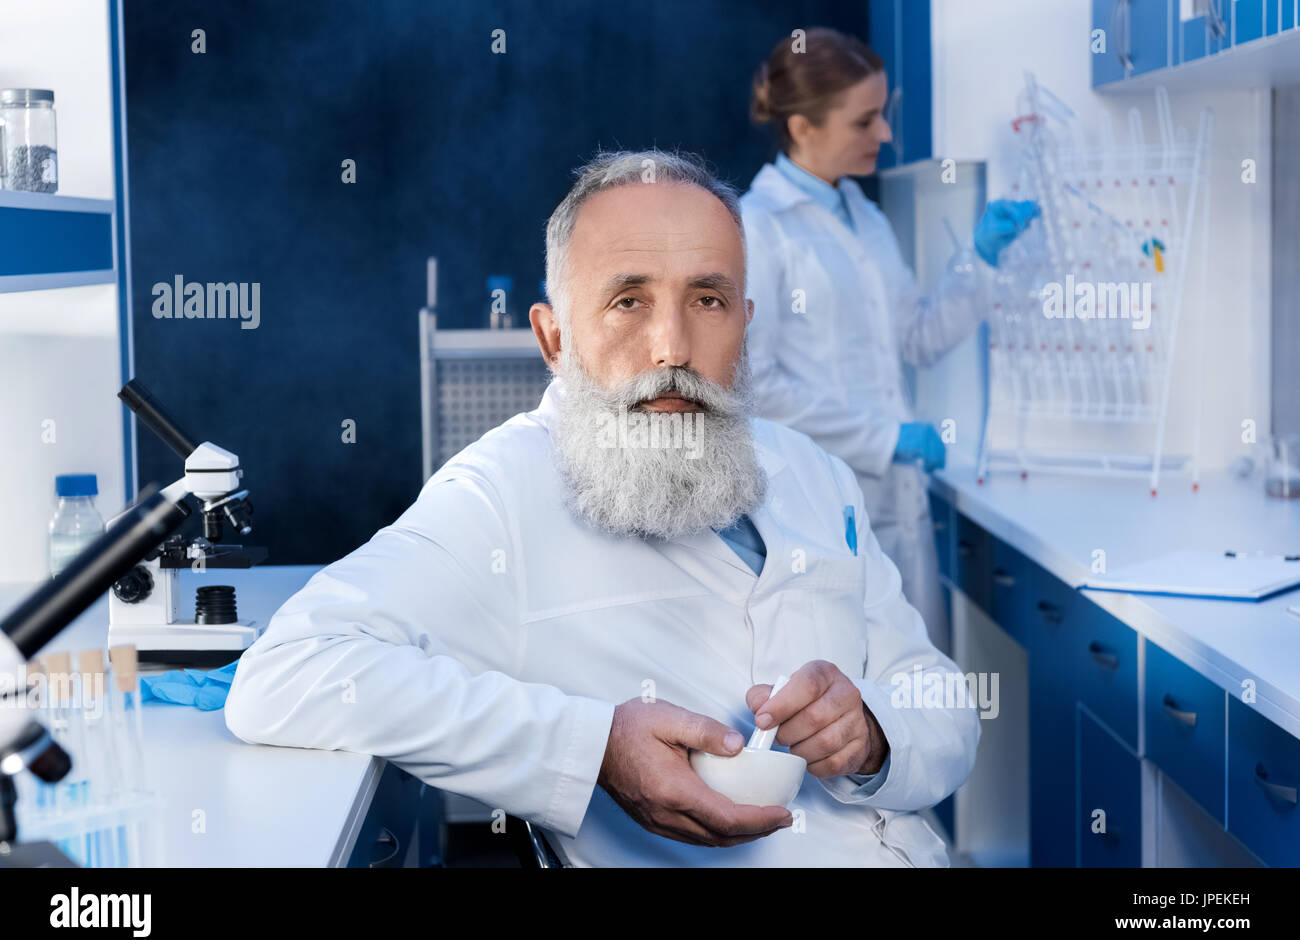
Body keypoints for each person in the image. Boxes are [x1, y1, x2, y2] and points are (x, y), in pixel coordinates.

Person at [225, 149, 980, 867]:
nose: (672, 347)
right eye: (629, 300)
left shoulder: (815, 473)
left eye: (708, 299)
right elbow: (288, 671)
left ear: (746, 323)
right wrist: (592, 748)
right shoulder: (503, 493)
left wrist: (875, 730)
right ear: (554, 338)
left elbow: (940, 701)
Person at [741, 28, 1038, 655]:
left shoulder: (866, 217)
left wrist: (979, 258)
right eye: (865, 120)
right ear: (803, 128)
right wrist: (884, 436)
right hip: (817, 505)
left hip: (896, 500)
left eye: (885, 115)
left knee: (912, 703)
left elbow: (918, 337)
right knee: (836, 703)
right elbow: (754, 387)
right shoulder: (757, 227)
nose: (886, 136)